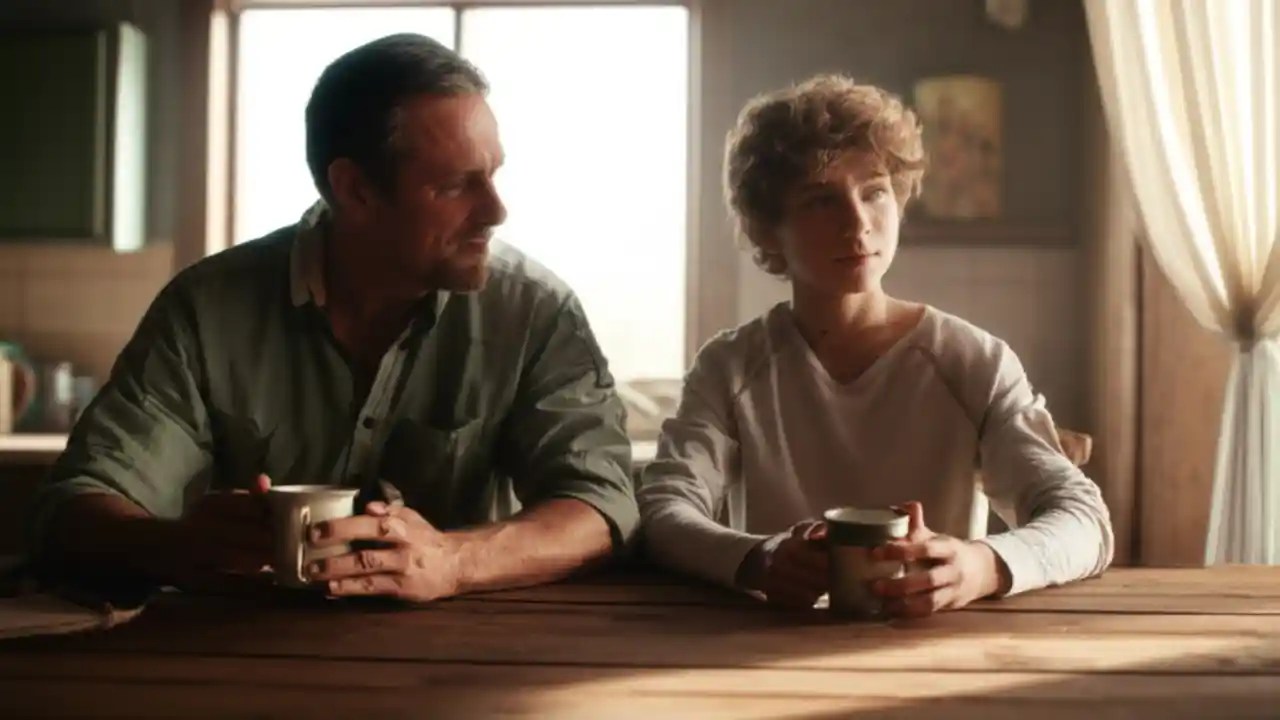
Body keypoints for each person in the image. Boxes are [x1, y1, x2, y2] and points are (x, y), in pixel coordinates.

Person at [28, 34, 638, 603]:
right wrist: (174, 543)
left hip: (466, 670)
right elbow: (78, 504)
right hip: (238, 661)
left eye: (494, 175)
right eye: (457, 186)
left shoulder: (533, 311)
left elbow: (602, 505)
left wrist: (454, 560)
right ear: (355, 190)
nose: (496, 210)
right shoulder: (208, 309)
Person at [637, 74, 1113, 617]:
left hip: (933, 650)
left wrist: (980, 566)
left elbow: (1084, 519)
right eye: (821, 201)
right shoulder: (730, 367)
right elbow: (664, 509)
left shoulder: (973, 360)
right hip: (766, 647)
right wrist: (758, 559)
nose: (858, 224)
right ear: (769, 229)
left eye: (875, 192)